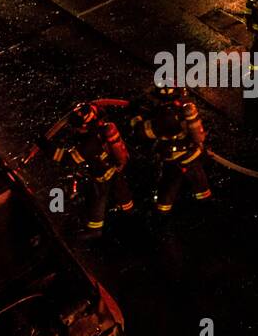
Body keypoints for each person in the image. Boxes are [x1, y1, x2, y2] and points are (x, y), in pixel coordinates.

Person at [39, 101, 134, 234]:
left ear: (84, 126)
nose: (75, 129)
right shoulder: (98, 127)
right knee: (122, 196)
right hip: (111, 170)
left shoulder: (88, 144)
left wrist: (44, 145)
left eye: (77, 126)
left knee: (97, 204)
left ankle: (93, 231)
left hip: (103, 178)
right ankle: (127, 218)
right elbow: (97, 106)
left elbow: (66, 159)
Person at [132, 85, 211, 213]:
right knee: (200, 183)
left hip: (172, 158)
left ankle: (162, 213)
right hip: (192, 154)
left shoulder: (166, 114)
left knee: (168, 187)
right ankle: (205, 207)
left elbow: (144, 133)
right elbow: (198, 135)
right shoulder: (185, 105)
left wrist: (136, 120)